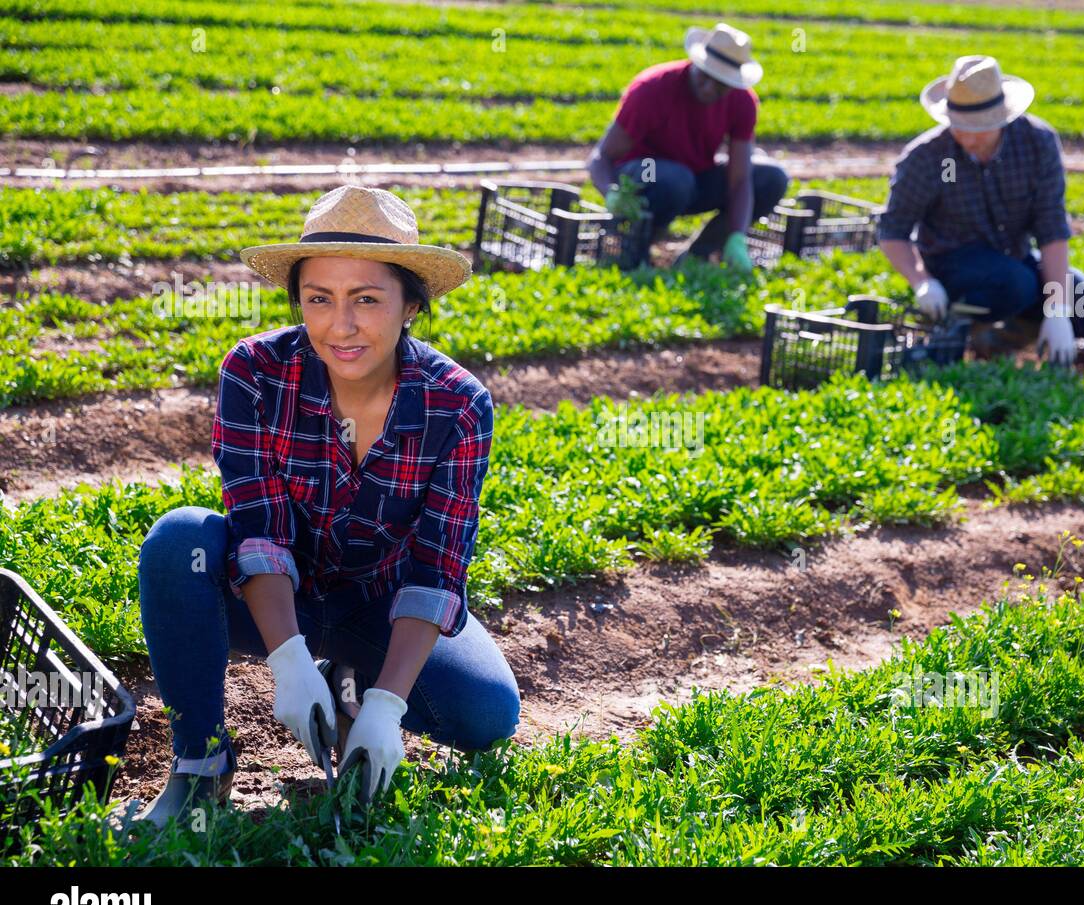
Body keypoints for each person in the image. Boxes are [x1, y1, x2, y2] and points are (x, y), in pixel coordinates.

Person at [133, 185, 520, 828]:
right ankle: (200, 765)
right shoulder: (255, 372)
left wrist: (389, 704)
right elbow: (259, 528)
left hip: (382, 602)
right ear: (299, 303)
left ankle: (354, 684)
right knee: (181, 543)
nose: (341, 325)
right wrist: (285, 657)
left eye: (367, 299)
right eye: (320, 299)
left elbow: (436, 569)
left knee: (483, 714)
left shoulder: (457, 404)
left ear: (412, 303)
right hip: (277, 593)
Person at [877, 55, 1084, 366]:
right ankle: (960, 324)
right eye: (959, 126)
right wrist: (922, 281)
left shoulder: (1037, 143)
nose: (966, 136)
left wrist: (1057, 308)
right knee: (1017, 284)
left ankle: (1005, 337)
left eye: (978, 129)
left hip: (1015, 261)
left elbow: (1051, 228)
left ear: (1002, 118)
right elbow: (893, 230)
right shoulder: (926, 157)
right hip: (953, 266)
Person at [585, 22, 791, 272]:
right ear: (696, 64)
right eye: (706, 77)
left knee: (771, 177)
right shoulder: (654, 87)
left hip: (693, 178)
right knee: (673, 179)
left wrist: (738, 235)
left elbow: (740, 179)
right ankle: (636, 247)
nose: (709, 89)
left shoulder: (742, 101)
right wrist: (611, 193)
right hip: (647, 173)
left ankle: (698, 254)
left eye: (721, 84)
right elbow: (601, 156)